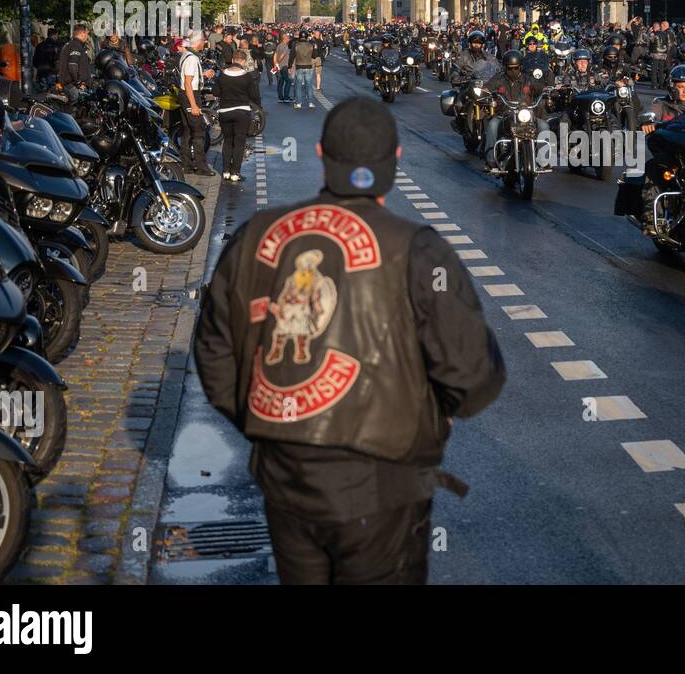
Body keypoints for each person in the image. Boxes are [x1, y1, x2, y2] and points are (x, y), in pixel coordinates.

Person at [194, 97, 505, 584]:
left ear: (320, 152)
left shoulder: (257, 234)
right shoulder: (419, 250)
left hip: (285, 475)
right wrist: (432, 411)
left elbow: (213, 349)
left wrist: (265, 415)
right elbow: (473, 378)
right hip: (386, 482)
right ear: (396, 160)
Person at [483, 50, 549, 169]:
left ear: (520, 67)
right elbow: (488, 87)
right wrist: (485, 91)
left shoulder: (528, 79)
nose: (513, 71)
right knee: (492, 125)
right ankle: (490, 161)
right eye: (510, 68)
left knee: (544, 125)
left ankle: (544, 160)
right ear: (505, 68)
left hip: (526, 114)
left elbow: (540, 87)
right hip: (504, 114)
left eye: (516, 68)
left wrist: (547, 90)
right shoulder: (499, 79)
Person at [213, 50, 260, 182]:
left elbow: (215, 91)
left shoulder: (222, 75)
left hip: (225, 111)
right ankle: (235, 173)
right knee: (239, 143)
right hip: (242, 112)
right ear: (244, 61)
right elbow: (254, 95)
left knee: (227, 141)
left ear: (233, 59)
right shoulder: (247, 76)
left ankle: (226, 171)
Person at [178, 30, 216, 177]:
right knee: (199, 131)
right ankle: (201, 167)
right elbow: (188, 83)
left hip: (187, 94)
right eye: (204, 41)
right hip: (190, 95)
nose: (205, 43)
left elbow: (190, 78)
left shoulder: (187, 55)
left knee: (187, 131)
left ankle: (186, 165)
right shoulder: (192, 58)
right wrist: (193, 105)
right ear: (198, 42)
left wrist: (203, 75)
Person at [56, 24, 95, 100]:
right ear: (83, 34)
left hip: (66, 84)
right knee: (78, 109)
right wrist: (78, 83)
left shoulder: (68, 45)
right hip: (73, 86)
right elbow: (72, 65)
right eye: (87, 33)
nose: (87, 36)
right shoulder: (76, 46)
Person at [290, 31, 317, 110]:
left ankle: (298, 103)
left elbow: (292, 56)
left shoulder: (296, 45)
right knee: (309, 85)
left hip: (299, 66)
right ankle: (310, 103)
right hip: (308, 66)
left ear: (299, 37)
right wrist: (315, 48)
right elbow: (314, 56)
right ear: (307, 37)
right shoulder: (311, 45)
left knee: (298, 86)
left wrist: (289, 66)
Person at [274, 34, 293, 103]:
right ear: (284, 39)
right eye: (288, 38)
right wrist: (278, 62)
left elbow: (275, 55)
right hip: (284, 66)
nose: (289, 39)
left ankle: (280, 98)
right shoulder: (285, 47)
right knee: (288, 81)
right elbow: (282, 56)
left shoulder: (278, 45)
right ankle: (286, 97)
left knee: (281, 82)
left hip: (280, 67)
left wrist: (276, 64)